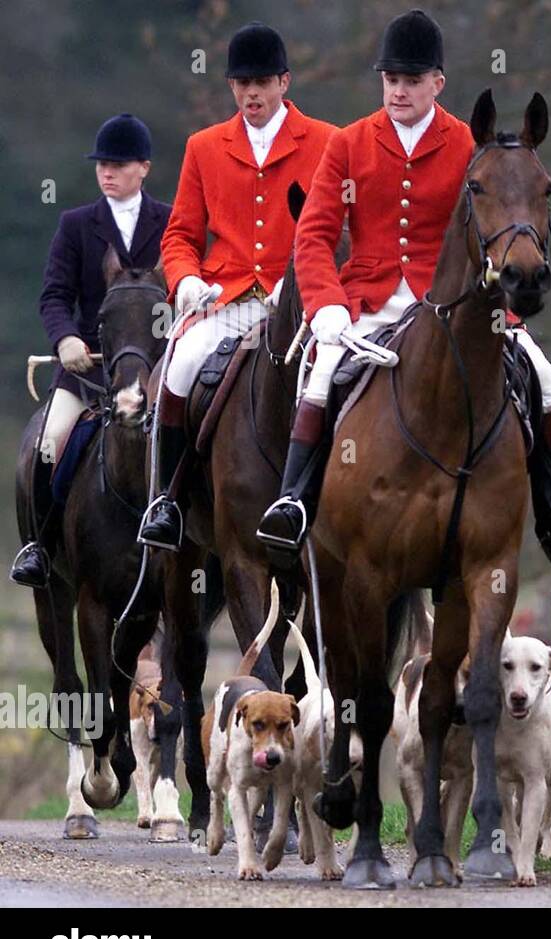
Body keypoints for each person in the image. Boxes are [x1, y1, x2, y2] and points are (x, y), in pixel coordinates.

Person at [256, 9, 551, 568]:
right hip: (368, 300)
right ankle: (295, 501)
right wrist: (325, 306)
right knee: (321, 373)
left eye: (412, 80)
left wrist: (494, 281)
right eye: (391, 79)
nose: (399, 91)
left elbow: (490, 225)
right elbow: (314, 235)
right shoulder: (348, 143)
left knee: (541, 373)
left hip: (449, 301)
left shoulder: (468, 145)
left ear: (437, 83)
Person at [137, 22, 336, 549]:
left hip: (300, 304)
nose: (252, 93)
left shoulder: (327, 142)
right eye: (242, 83)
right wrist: (185, 280)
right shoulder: (204, 146)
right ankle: (167, 501)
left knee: (342, 375)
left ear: (284, 82)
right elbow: (180, 234)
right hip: (225, 300)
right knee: (179, 367)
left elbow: (340, 230)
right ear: (230, 86)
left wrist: (305, 279)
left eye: (262, 82)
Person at [11, 114, 170, 588]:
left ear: (144, 168)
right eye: (102, 164)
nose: (107, 172)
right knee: (48, 443)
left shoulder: (172, 221)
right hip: (88, 370)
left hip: (157, 368)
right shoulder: (76, 224)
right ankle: (40, 546)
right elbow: (54, 296)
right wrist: (65, 339)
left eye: (118, 164)